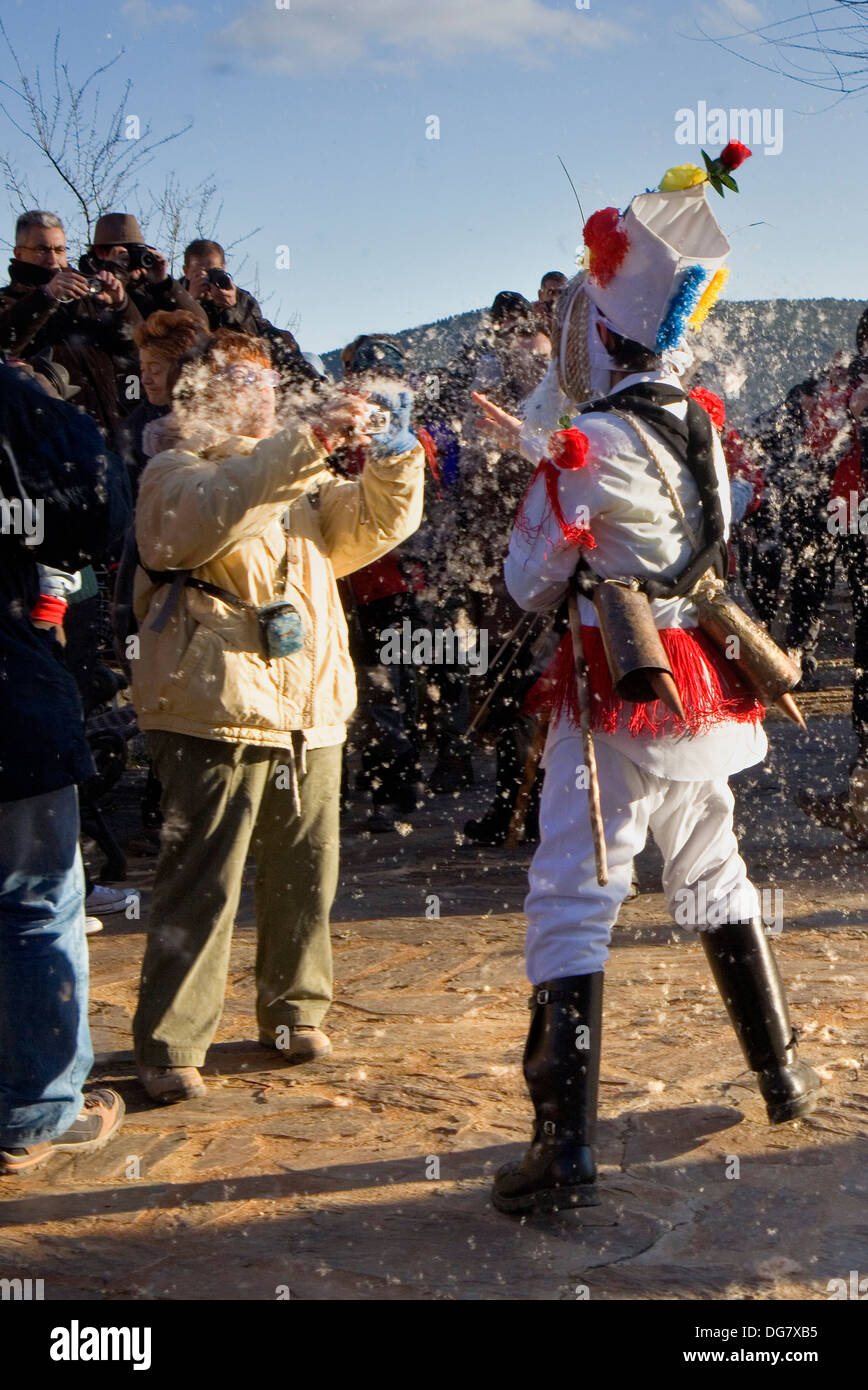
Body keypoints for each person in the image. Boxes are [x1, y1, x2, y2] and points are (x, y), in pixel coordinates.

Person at [474, 148, 821, 1214]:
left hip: (615, 683)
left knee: (573, 896)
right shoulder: (704, 426)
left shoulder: (592, 436)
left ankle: (562, 1150)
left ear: (603, 330)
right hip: (697, 673)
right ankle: (779, 1073)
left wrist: (541, 475)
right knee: (713, 866)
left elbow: (530, 579)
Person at [129, 329, 425, 1102]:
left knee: (305, 873)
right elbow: (208, 520)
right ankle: (172, 1041)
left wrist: (397, 454)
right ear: (196, 392)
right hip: (212, 705)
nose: (258, 392)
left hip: (309, 707)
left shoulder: (299, 478)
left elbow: (373, 531)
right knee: (204, 881)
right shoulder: (176, 470)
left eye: (265, 379)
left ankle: (295, 1011)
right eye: (235, 377)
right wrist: (306, 443)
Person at [0, 359, 131, 1175]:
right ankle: (35, 1112)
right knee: (34, 903)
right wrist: (45, 409)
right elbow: (99, 509)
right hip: (8, 692)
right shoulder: (12, 402)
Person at [0, 210, 141, 445]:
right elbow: (6, 343)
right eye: (42, 250)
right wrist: (46, 296)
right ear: (19, 253)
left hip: (112, 429)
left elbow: (134, 349)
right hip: (53, 436)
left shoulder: (88, 290)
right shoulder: (9, 300)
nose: (53, 259)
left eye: (60, 250)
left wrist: (121, 305)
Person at [87, 213, 207, 326]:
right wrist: (115, 271)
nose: (133, 259)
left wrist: (164, 284)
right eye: (124, 252)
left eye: (138, 252)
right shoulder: (88, 287)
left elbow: (199, 325)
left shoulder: (149, 290)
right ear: (101, 253)